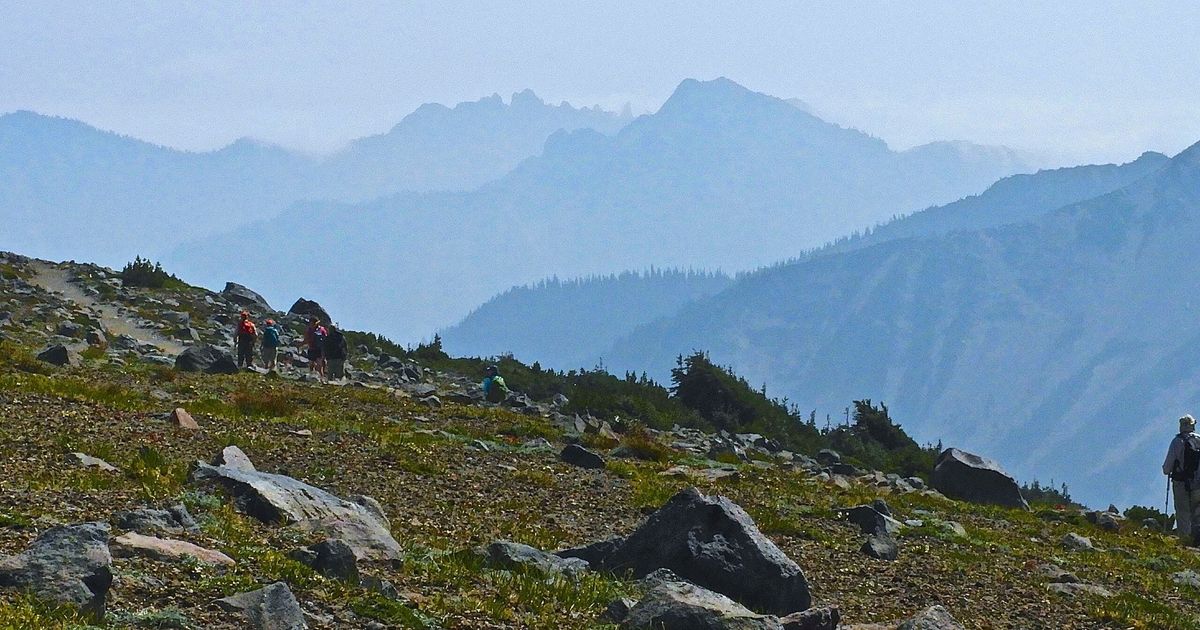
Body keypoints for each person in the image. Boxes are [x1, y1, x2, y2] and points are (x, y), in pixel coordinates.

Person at [1163, 414, 1200, 545]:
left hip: (1181, 483)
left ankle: (1185, 542)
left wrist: (1167, 470)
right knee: (1197, 513)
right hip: (1198, 485)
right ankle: (1197, 541)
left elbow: (1167, 468)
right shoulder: (1199, 440)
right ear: (1192, 425)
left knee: (1183, 513)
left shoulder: (1177, 442)